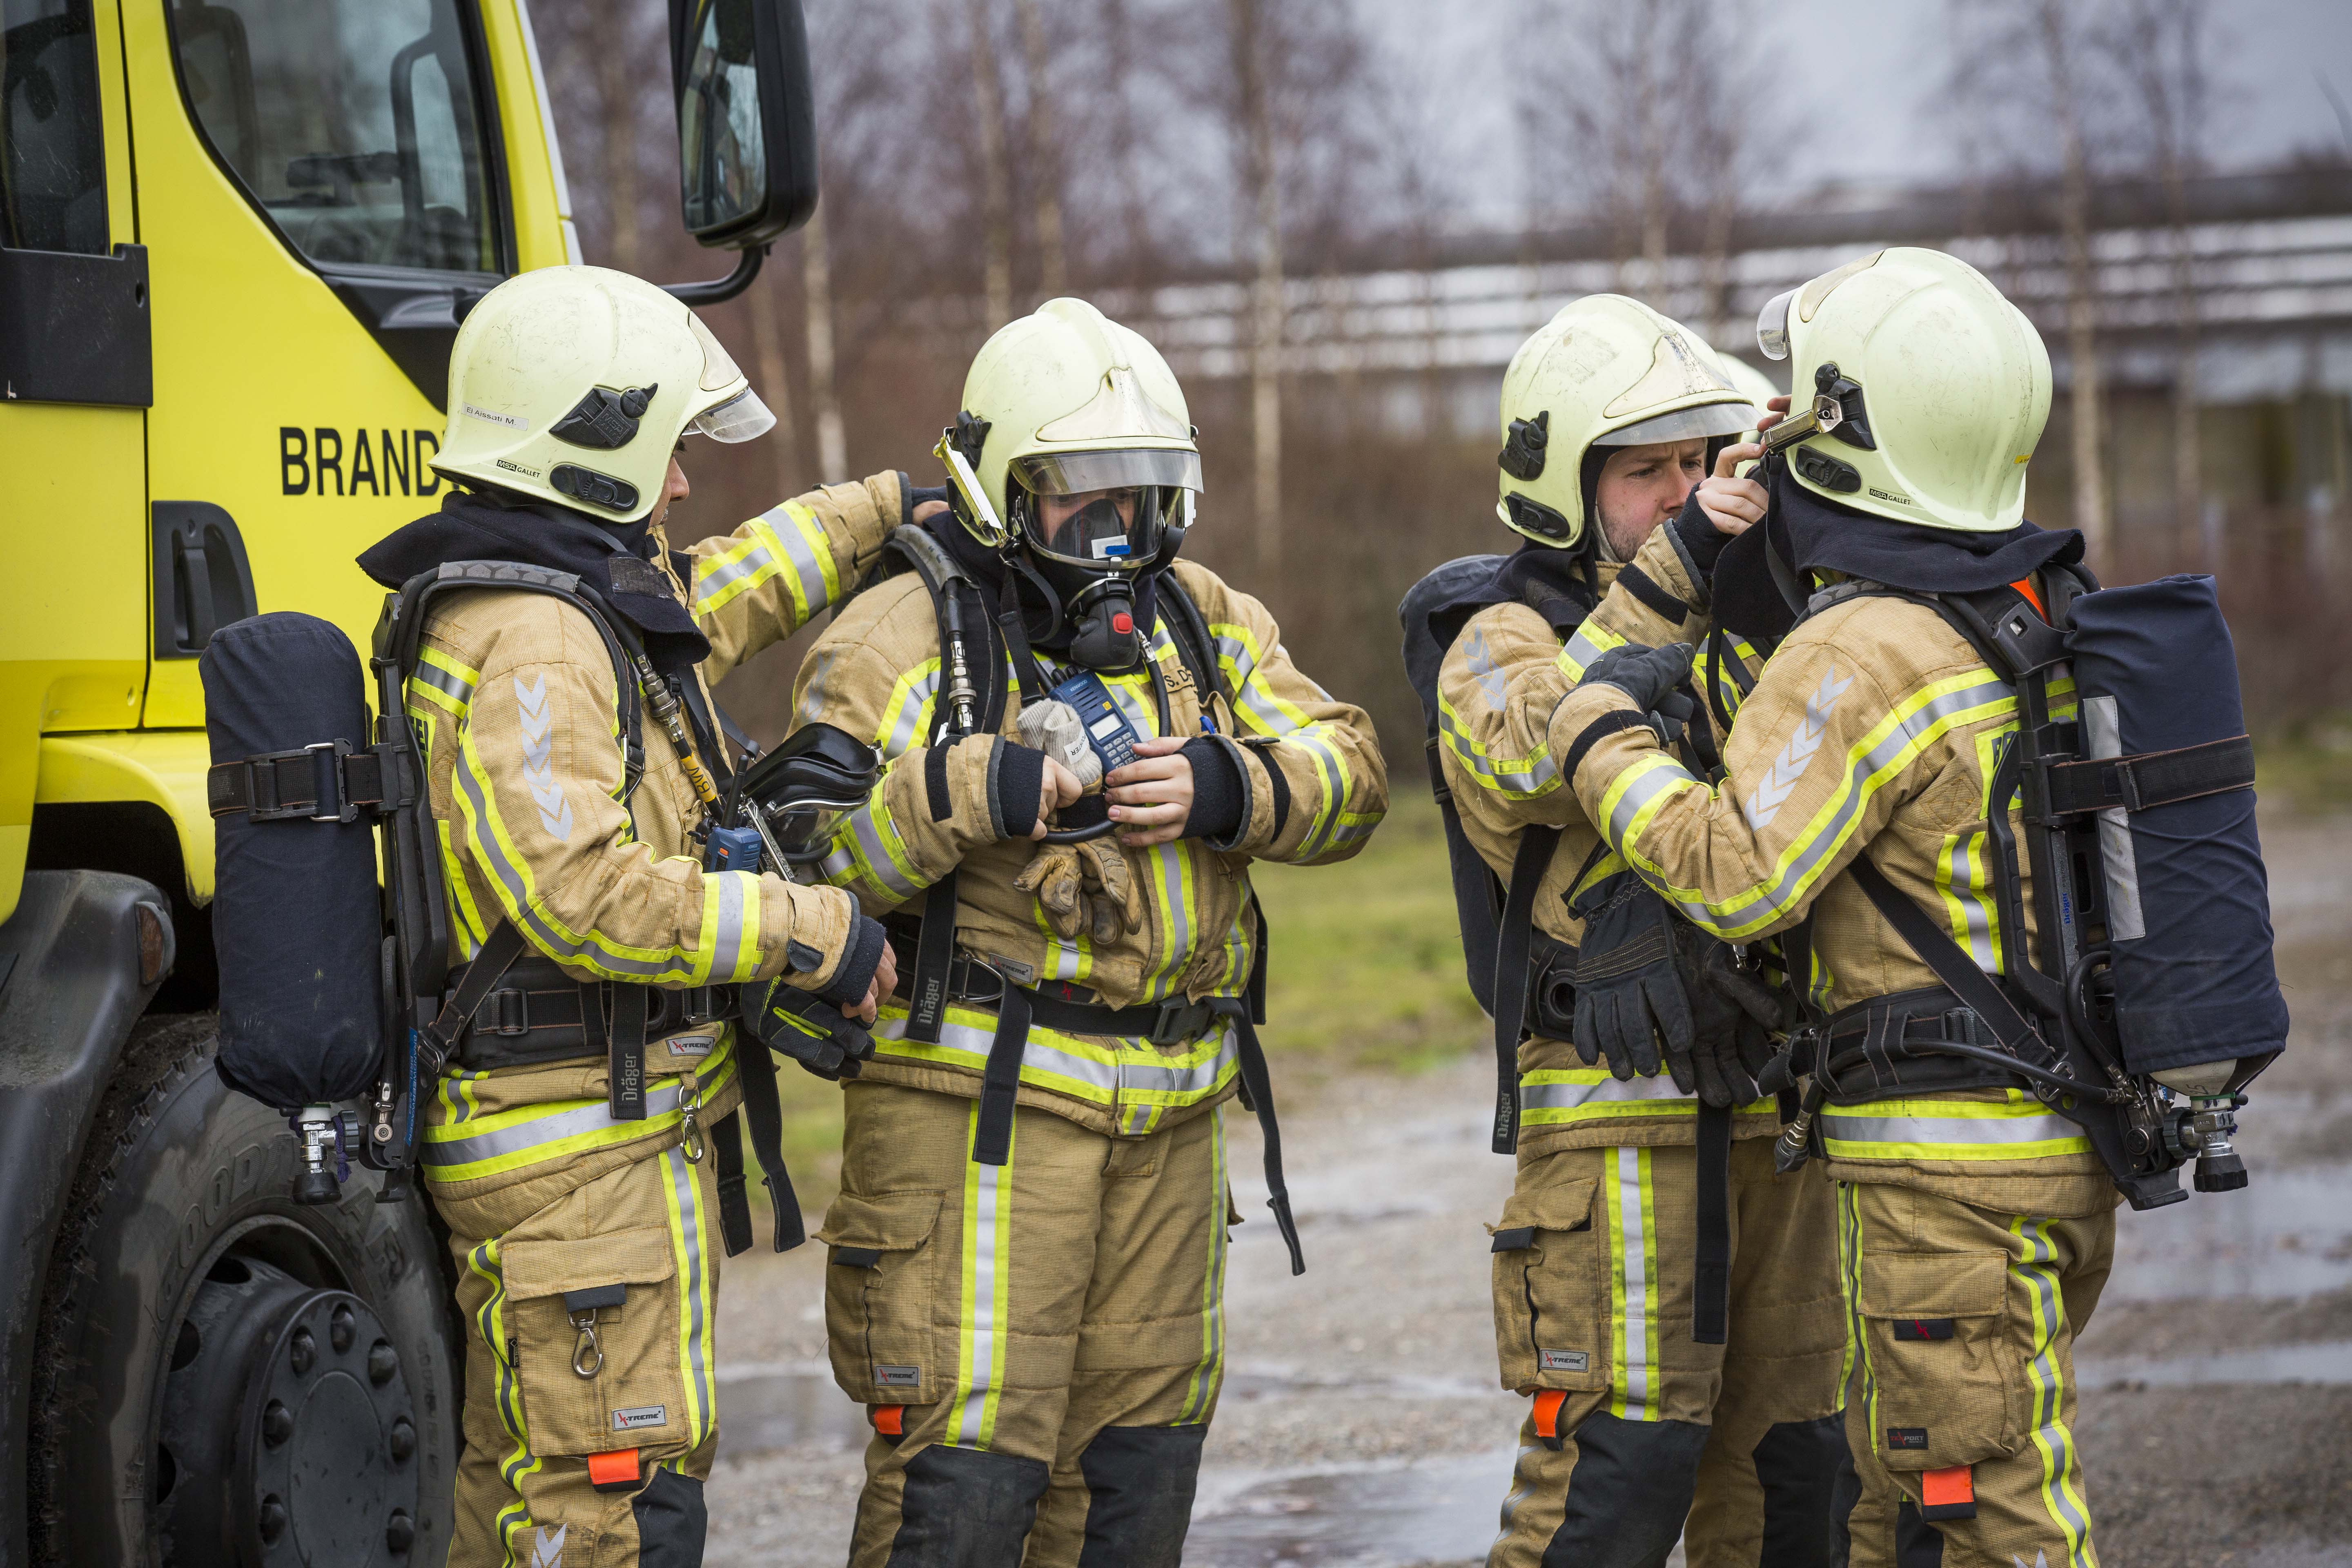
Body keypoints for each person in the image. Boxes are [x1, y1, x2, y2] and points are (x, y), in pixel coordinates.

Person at [1536, 247, 2206, 1566]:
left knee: (1990, 1517)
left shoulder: (1860, 646)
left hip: (1938, 1182)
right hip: (2058, 1148)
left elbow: (1740, 877)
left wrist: (1600, 728)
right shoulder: (2030, 609)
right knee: (1908, 1511)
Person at [793, 296, 1388, 1567]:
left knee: (1135, 1490)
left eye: (1148, 496)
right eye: (1086, 496)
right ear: (1004, 491)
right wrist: (975, 788)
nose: (1122, 532)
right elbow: (809, 864)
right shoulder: (901, 640)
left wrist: (1231, 787)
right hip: (976, 1139)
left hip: (1171, 1129)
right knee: (961, 1495)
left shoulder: (1203, 619)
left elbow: (1354, 772)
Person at [355, 264, 918, 1568]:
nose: (679, 486)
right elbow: (582, 892)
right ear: (590, 450)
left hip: (586, 1164)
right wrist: (808, 929)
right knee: (599, 1523)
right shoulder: (541, 641)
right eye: (665, 452)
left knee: (545, 1506)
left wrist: (878, 512)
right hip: (575, 1181)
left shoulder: (551, 601)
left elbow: (716, 597)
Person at [1425, 295, 1851, 1567]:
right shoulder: (1494, 634)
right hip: (1611, 1124)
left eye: (1694, 465)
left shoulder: (1761, 619)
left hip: (1779, 1108)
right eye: (1644, 472)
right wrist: (1671, 585)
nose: (1680, 495)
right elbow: (1522, 757)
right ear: (1565, 486)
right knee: (1612, 1486)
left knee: (1798, 1484)